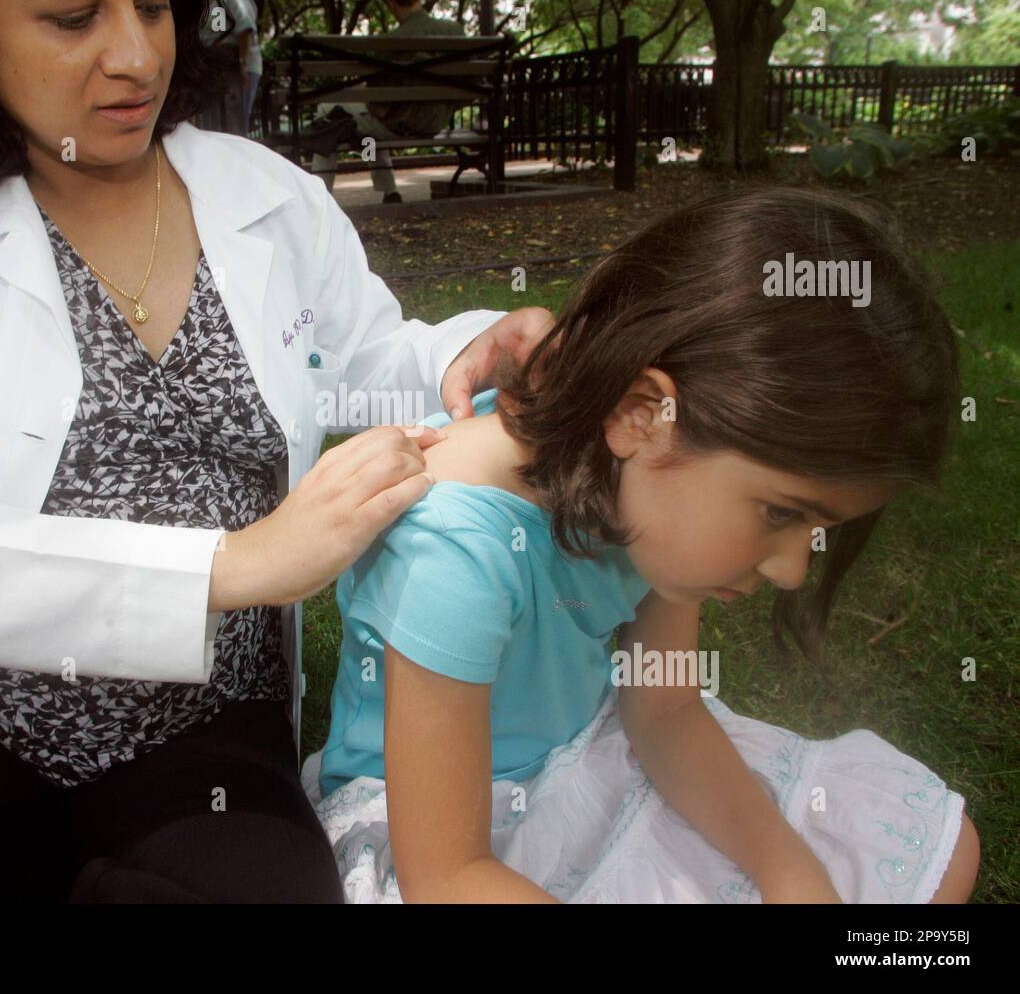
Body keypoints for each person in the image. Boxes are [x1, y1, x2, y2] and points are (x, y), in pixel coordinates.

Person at [0, 0, 554, 904]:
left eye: (152, 3)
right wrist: (238, 563)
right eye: (75, 15)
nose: (135, 54)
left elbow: (361, 360)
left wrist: (459, 351)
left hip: (208, 727)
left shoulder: (264, 200)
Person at [301, 186, 982, 904]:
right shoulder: (453, 550)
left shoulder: (640, 488)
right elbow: (447, 875)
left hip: (597, 752)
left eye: (818, 530)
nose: (789, 569)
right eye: (779, 511)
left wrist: (790, 870)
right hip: (447, 836)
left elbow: (665, 711)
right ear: (641, 412)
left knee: (941, 850)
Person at [307, 0, 467, 204]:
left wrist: (360, 94)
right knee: (362, 129)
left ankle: (318, 198)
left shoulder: (391, 42)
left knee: (327, 111)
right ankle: (389, 191)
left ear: (391, 4)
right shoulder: (455, 32)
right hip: (435, 122)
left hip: (399, 124)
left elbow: (379, 106)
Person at [199, 0, 261, 135]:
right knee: (215, 124)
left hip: (237, 66)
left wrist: (242, 64)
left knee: (235, 121)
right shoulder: (211, 0)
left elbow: (245, 30)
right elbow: (213, 33)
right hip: (216, 66)